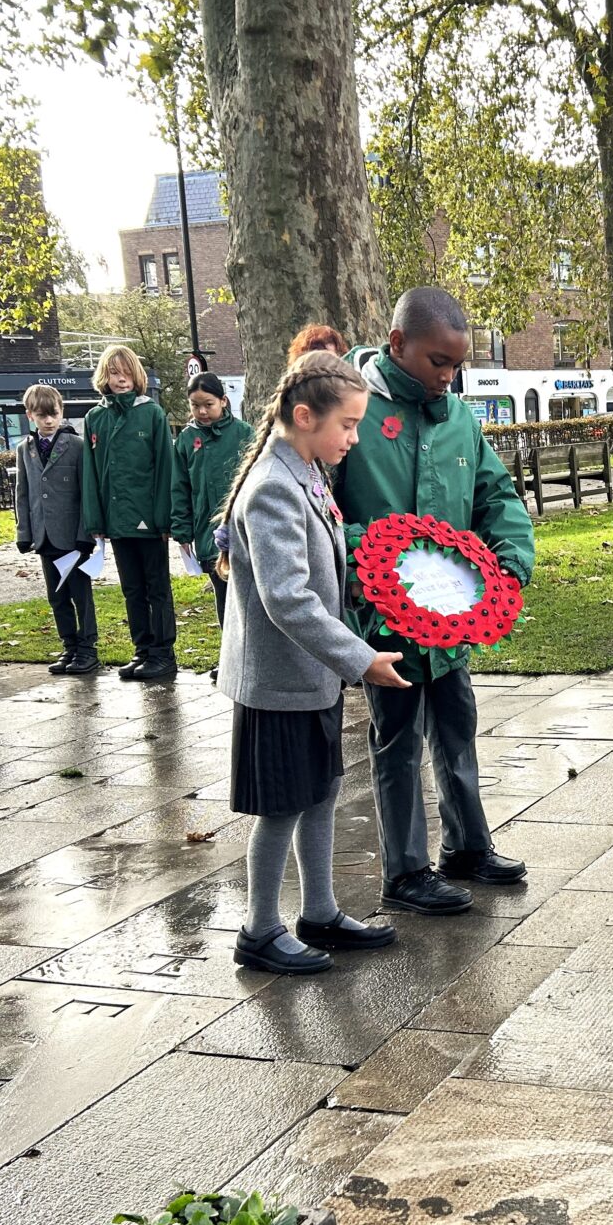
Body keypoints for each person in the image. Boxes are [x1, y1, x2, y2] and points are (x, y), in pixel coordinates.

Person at [337, 286, 536, 915]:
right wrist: (371, 552)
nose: (448, 376)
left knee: (457, 724)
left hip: (450, 616)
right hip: (385, 617)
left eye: (456, 364)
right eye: (437, 362)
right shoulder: (354, 411)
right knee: (397, 738)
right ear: (398, 343)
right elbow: (319, 509)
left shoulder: (459, 421)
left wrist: (510, 563)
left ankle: (467, 847)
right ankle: (405, 871)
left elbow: (496, 495)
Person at [218, 351, 409, 974]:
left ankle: (319, 912)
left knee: (321, 793)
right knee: (282, 809)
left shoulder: (304, 470)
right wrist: (361, 659)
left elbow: (321, 565)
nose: (354, 438)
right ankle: (259, 931)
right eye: (347, 425)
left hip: (311, 676)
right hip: (279, 682)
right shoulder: (273, 486)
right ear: (305, 416)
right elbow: (288, 600)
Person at [80, 343, 176, 681]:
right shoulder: (95, 418)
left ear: (136, 376)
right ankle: (142, 649)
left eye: (125, 373)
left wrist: (164, 518)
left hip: (148, 518)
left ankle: (163, 652)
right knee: (131, 588)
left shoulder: (151, 414)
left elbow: (165, 469)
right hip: (117, 519)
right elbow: (91, 473)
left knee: (156, 587)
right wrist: (96, 519)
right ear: (104, 377)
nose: (120, 379)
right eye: (113, 373)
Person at [171, 372, 252, 679]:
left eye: (208, 404)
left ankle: (249, 659)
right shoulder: (186, 440)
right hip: (208, 533)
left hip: (241, 530)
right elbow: (180, 487)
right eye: (196, 405)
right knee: (223, 598)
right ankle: (230, 658)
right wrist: (182, 529)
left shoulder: (243, 433)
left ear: (223, 401)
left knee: (246, 600)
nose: (202, 411)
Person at [13, 383, 98, 676]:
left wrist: (85, 534)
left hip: (72, 537)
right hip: (44, 535)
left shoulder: (76, 446)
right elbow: (22, 492)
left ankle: (87, 647)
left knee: (80, 594)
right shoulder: (25, 449)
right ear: (30, 415)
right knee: (56, 596)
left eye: (54, 414)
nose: (49, 420)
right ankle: (69, 645)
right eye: (42, 415)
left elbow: (86, 492)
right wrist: (24, 533)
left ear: (62, 412)